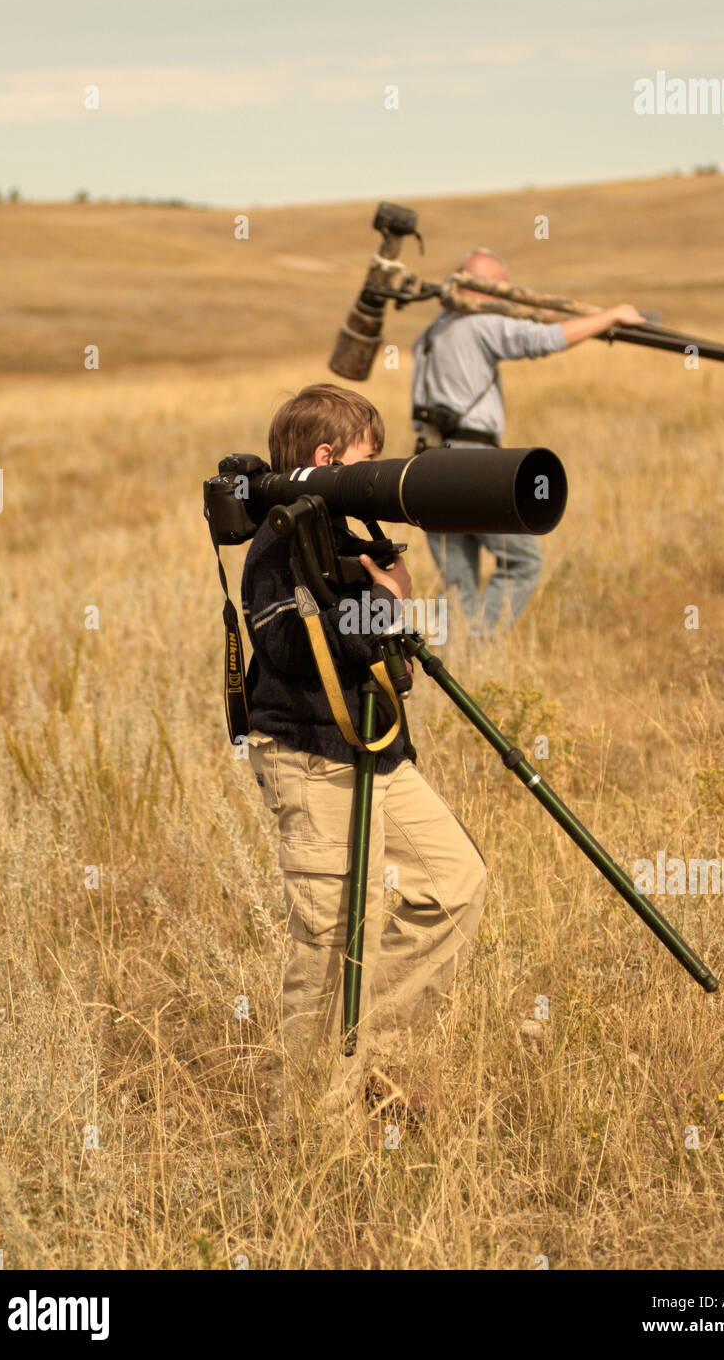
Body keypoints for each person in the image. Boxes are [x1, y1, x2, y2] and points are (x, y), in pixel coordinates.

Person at [241, 383, 487, 1121]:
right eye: (367, 458)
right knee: (330, 942)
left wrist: (380, 589)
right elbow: (285, 645)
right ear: (327, 459)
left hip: (375, 750)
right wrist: (383, 602)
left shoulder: (343, 532)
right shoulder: (278, 541)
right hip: (311, 758)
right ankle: (311, 1128)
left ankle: (362, 1044)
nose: (375, 471)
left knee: (454, 882)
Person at [412, 249, 644, 637]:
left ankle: (459, 667)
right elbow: (544, 340)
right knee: (523, 563)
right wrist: (611, 316)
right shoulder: (480, 323)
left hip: (427, 466)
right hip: (471, 463)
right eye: (500, 291)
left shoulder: (431, 333)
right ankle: (480, 648)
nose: (505, 301)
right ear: (481, 290)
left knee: (457, 582)